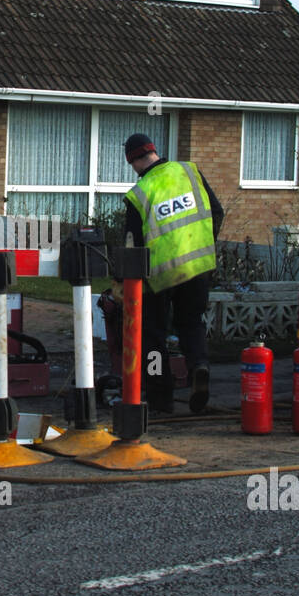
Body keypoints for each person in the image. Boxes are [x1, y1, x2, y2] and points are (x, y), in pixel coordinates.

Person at [123, 133, 224, 413]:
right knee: (191, 322)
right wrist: (203, 244)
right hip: (197, 266)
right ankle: (198, 367)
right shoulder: (189, 172)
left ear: (133, 162)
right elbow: (217, 211)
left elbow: (132, 246)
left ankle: (160, 397)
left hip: (160, 276)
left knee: (153, 337)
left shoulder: (139, 194)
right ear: (155, 152)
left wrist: (122, 282)